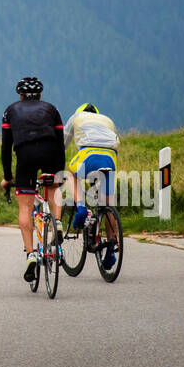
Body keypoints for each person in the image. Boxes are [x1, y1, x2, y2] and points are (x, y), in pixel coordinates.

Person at [0, 76, 66, 284]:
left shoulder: (10, 110)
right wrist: (59, 173)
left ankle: (31, 254)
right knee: (53, 189)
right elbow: (60, 143)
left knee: (25, 208)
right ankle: (58, 223)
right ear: (40, 95)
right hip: (50, 152)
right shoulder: (52, 109)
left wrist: (8, 177)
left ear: (20, 95)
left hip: (25, 156)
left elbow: (5, 148)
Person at [62, 102, 120, 271]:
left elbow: (62, 144)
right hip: (110, 158)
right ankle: (111, 249)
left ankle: (80, 208)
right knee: (107, 204)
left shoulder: (76, 117)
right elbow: (115, 143)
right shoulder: (107, 120)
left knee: (72, 175)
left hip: (89, 154)